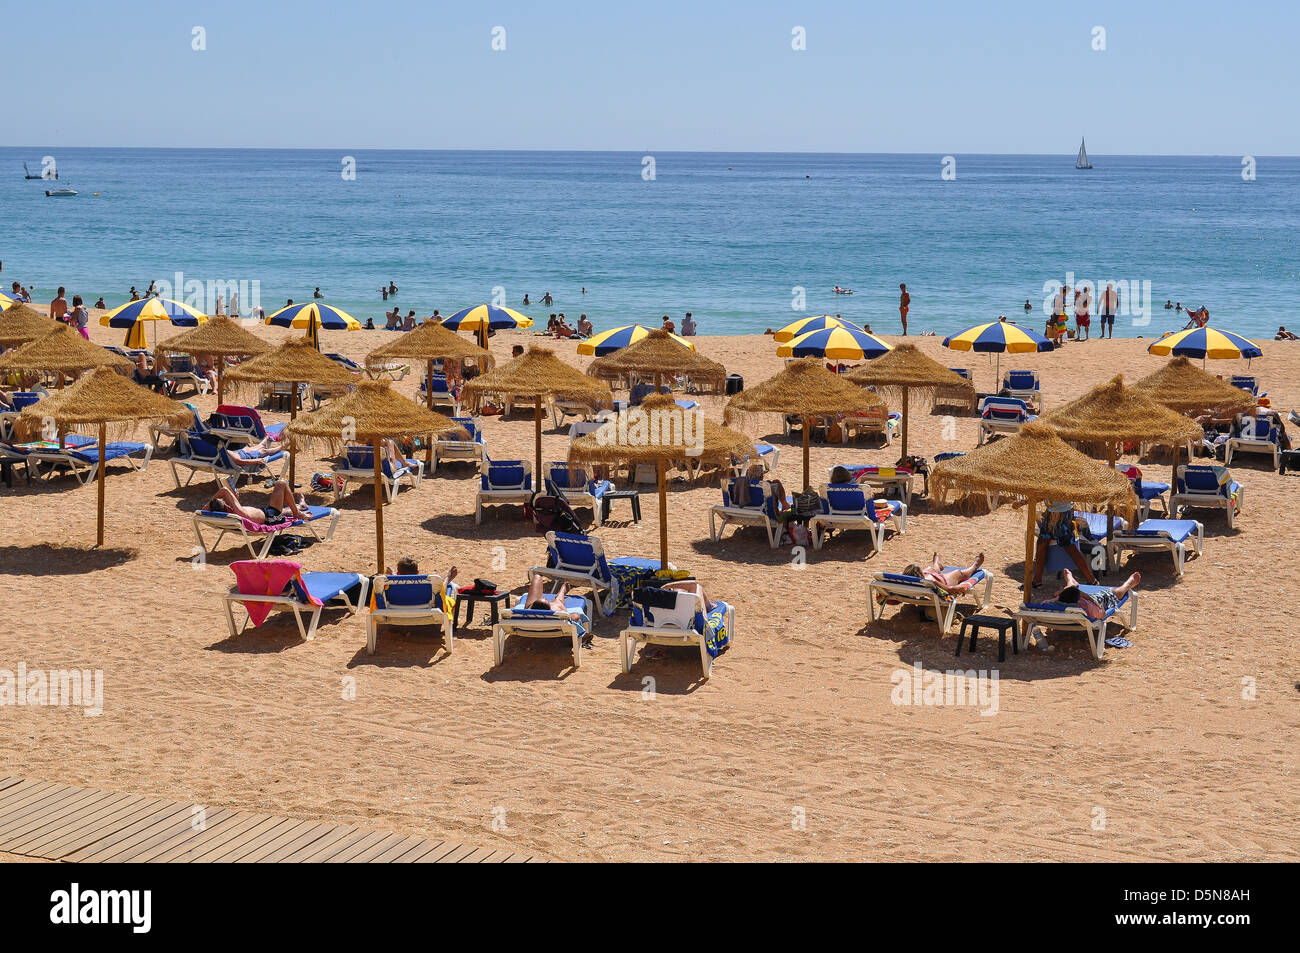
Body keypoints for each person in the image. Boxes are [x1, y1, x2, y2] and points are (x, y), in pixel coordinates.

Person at [1031, 502, 1097, 588]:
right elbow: (1040, 494)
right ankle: (1037, 579)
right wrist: (1023, 502)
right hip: (1050, 515)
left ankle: (1092, 580)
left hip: (1064, 515)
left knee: (1071, 548)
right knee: (1041, 544)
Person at [207, 479, 309, 526]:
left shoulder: (234, 511)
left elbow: (204, 510)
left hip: (267, 513)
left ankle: (301, 506)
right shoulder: (238, 511)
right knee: (281, 483)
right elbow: (224, 490)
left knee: (283, 511)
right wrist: (211, 501)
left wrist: (209, 506)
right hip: (269, 517)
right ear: (225, 505)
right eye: (223, 501)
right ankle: (297, 512)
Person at [1055, 568, 1141, 621]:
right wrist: (1093, 601)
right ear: (1079, 597)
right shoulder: (1086, 606)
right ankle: (1127, 585)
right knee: (1114, 592)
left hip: (1063, 615)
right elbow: (1103, 614)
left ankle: (1070, 584)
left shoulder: (1052, 604)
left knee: (1071, 593)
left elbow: (1047, 602)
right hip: (1095, 602)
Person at [900, 552, 986, 594]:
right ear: (920, 575)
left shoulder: (902, 582)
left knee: (930, 569)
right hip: (942, 580)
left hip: (928, 576)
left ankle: (937, 564)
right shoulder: (930, 583)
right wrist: (961, 588)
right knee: (958, 573)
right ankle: (974, 566)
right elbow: (949, 589)